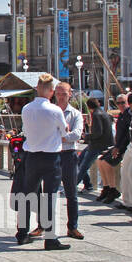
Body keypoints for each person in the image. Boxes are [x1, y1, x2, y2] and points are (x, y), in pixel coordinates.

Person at [17, 73, 69, 250]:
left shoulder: (26, 109)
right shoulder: (55, 110)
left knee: (27, 195)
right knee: (50, 197)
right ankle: (50, 237)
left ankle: (22, 233)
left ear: (37, 89)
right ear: (52, 91)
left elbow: (24, 130)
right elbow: (65, 132)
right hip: (51, 156)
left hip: (31, 156)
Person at [46, 81, 85, 240]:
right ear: (54, 94)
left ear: (70, 94)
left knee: (71, 193)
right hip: (51, 154)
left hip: (68, 155)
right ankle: (44, 225)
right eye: (59, 93)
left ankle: (72, 227)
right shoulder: (49, 112)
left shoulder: (75, 114)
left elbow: (77, 134)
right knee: (48, 193)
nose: (61, 97)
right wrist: (60, 138)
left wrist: (59, 138)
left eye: (64, 94)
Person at [78, 97, 112, 192]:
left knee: (83, 166)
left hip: (97, 145)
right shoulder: (103, 113)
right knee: (79, 162)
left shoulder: (97, 115)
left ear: (89, 107)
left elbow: (98, 133)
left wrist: (87, 136)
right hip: (98, 144)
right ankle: (88, 185)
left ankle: (72, 188)